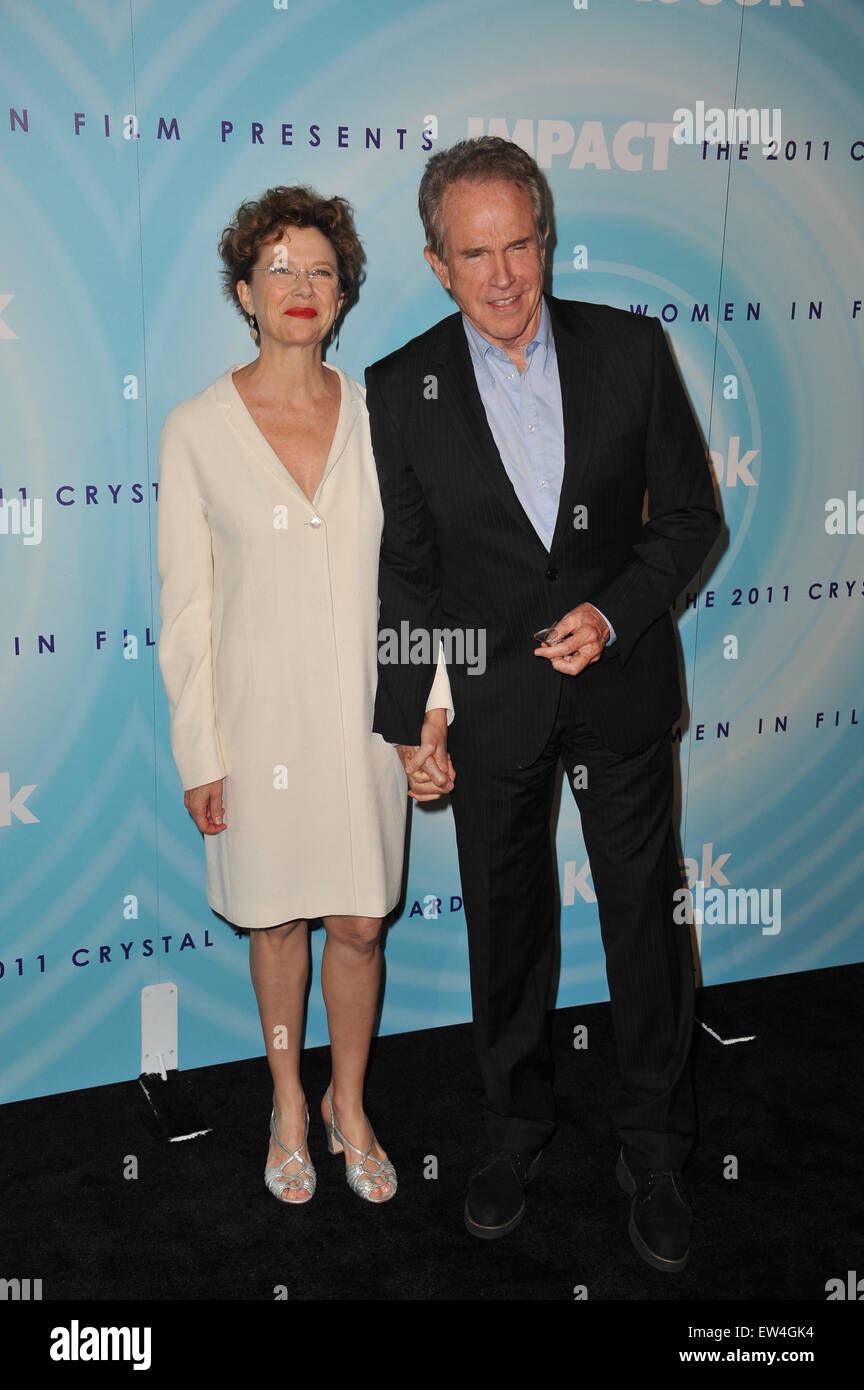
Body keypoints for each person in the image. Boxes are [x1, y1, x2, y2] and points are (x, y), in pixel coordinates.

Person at [366, 138, 721, 1268]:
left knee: (643, 927)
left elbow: (690, 522)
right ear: (437, 262)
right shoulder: (401, 388)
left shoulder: (629, 349)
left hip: (619, 695)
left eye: (520, 243)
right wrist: (412, 718)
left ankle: (654, 1142)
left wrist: (613, 612)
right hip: (492, 709)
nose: (505, 275)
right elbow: (411, 579)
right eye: (477, 253)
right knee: (506, 932)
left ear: (545, 236)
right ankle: (513, 1127)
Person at [157, 185, 450, 1207]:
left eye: (320, 269)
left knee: (361, 923)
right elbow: (185, 612)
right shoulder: (196, 428)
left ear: (343, 293)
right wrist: (201, 753)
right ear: (244, 288)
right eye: (278, 266)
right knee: (277, 923)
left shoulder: (385, 418)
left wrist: (429, 715)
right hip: (256, 728)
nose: (300, 285)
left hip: (369, 728)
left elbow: (419, 578)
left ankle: (348, 1103)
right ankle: (288, 1100)